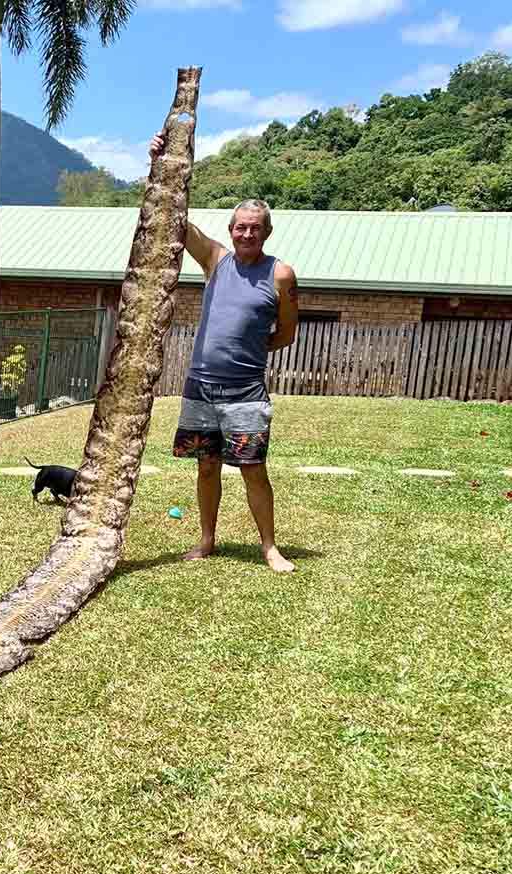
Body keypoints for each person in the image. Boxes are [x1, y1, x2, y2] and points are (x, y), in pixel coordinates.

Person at [148, 132, 299, 573]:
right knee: (206, 466)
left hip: (245, 390)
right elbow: (178, 222)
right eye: (240, 227)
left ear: (266, 232)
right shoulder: (215, 260)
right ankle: (207, 539)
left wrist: (249, 350)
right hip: (200, 387)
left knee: (252, 469)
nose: (246, 233)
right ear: (231, 231)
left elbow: (286, 333)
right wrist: (160, 165)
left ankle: (269, 547)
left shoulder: (281, 275)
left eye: (254, 227)